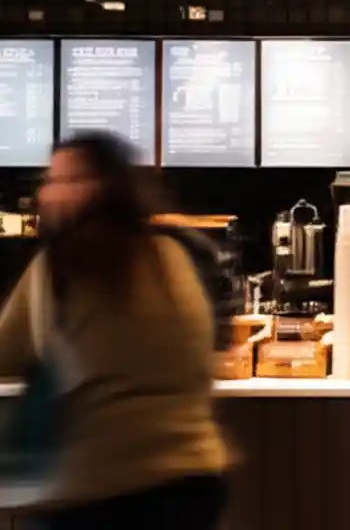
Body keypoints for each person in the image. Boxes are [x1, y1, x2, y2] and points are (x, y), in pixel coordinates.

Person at [0, 133, 229, 529]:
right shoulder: (173, 254)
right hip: (194, 480)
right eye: (50, 181)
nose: (48, 194)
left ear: (104, 189)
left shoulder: (61, 267)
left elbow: (5, 351)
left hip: (102, 489)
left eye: (66, 181)